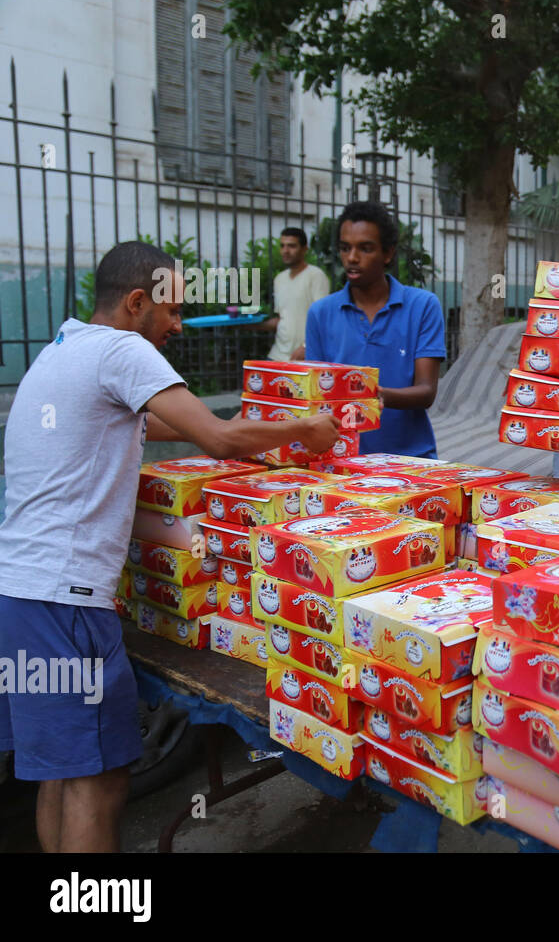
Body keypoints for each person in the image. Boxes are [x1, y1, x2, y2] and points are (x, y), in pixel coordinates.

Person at [0, 241, 339, 852]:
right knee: (99, 784)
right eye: (173, 311)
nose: (178, 327)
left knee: (60, 772)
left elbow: (148, 423)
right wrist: (304, 430)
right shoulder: (121, 349)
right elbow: (218, 440)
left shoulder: (65, 348)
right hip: (68, 601)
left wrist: (262, 425)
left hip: (21, 595)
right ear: (136, 303)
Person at [304, 201, 446, 457]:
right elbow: (316, 397)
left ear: (388, 253)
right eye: (345, 248)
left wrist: (374, 394)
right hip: (341, 462)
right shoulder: (320, 313)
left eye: (365, 248)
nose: (352, 258)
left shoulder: (423, 306)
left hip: (412, 461)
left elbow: (426, 391)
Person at [260, 227, 331, 361]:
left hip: (303, 357)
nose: (285, 251)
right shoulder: (279, 279)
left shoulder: (316, 276)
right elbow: (282, 319)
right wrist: (244, 324)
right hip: (276, 355)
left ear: (305, 249)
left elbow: (324, 318)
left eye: (291, 246)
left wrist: (306, 346)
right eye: (282, 246)